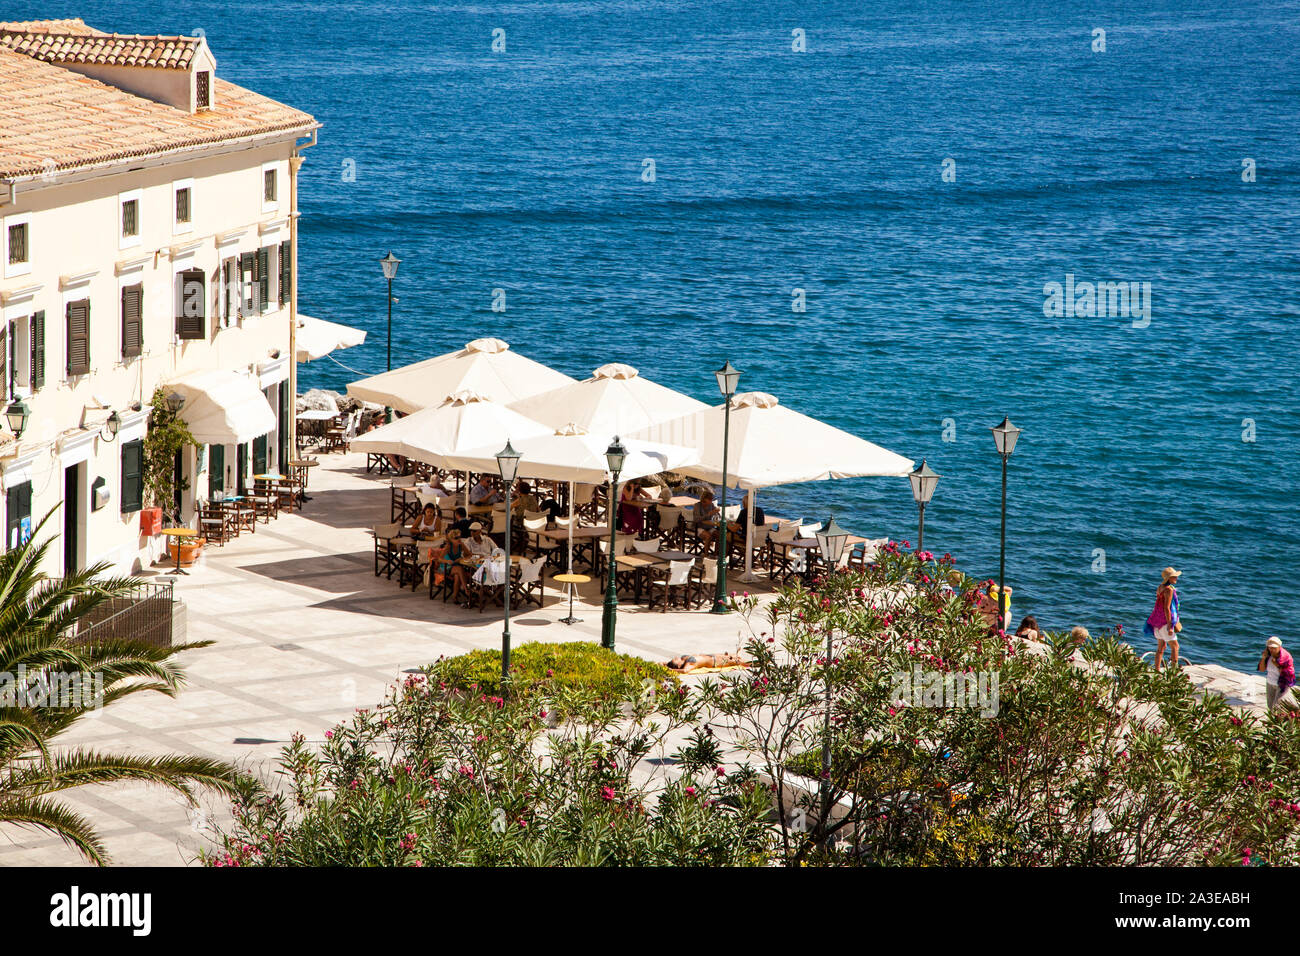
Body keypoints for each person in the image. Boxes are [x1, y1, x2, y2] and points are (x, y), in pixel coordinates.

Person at [1144, 567, 1182, 671]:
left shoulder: (1160, 587)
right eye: (1174, 576)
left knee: (1161, 648)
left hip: (1156, 622)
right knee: (1175, 647)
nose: (1176, 578)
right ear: (1169, 578)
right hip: (1165, 622)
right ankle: (1174, 673)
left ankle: (1157, 670)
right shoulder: (1169, 589)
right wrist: (1170, 625)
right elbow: (1167, 608)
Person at [1258, 637, 1299, 713]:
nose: (1272, 650)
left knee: (1276, 706)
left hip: (1282, 685)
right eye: (1270, 647)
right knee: (1270, 706)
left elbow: (1288, 674)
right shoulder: (1268, 655)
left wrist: (1277, 665)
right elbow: (1262, 669)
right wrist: (1263, 658)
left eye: (1274, 648)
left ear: (1279, 647)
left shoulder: (1286, 657)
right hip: (1270, 683)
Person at [435, 528, 473, 606]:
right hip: (445, 567)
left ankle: (455, 597)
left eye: (459, 537)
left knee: (457, 576)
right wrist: (447, 561)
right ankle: (466, 590)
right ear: (451, 539)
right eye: (456, 538)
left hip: (455, 566)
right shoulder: (448, 547)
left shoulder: (461, 545)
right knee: (459, 569)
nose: (459, 539)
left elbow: (469, 554)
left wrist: (462, 558)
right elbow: (439, 559)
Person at [666, 652, 747, 672]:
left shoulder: (683, 659)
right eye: (675, 660)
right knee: (742, 662)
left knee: (734, 656)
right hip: (715, 662)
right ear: (679, 665)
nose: (676, 657)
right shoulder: (689, 663)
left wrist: (664, 664)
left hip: (714, 656)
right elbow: (685, 671)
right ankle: (756, 663)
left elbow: (667, 664)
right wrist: (671, 670)